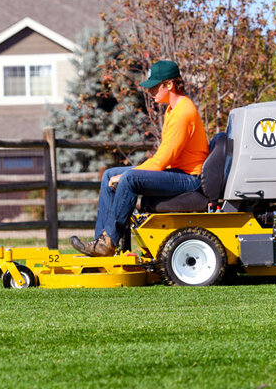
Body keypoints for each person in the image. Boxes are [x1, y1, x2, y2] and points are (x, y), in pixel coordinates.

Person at [70, 60, 209, 257]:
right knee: (109, 174)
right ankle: (101, 243)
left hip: (189, 178)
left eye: (155, 86)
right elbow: (163, 159)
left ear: (169, 85)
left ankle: (108, 243)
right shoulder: (172, 110)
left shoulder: (183, 113)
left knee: (129, 178)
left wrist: (128, 175)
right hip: (177, 172)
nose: (150, 91)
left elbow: (161, 161)